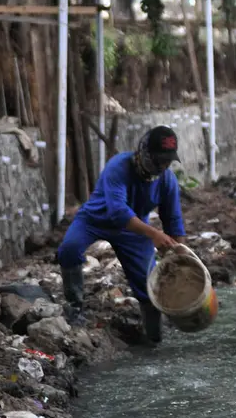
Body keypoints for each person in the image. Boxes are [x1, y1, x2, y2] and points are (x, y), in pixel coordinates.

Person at [56, 126, 185, 343]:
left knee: (149, 289)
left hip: (134, 232)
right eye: (158, 160)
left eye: (167, 162)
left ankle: (154, 339)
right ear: (144, 153)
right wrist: (154, 234)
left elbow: (173, 220)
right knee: (68, 250)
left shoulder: (167, 181)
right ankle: (75, 306)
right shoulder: (118, 167)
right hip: (95, 220)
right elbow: (118, 212)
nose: (162, 166)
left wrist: (182, 254)